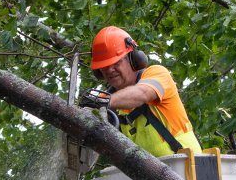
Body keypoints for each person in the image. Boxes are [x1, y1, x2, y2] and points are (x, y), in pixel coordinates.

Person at [79, 26, 202, 157]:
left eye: (116, 63)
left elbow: (141, 93)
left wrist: (103, 101)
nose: (109, 70)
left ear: (133, 59)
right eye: (104, 67)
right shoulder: (107, 99)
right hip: (149, 174)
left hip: (188, 168)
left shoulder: (158, 74)